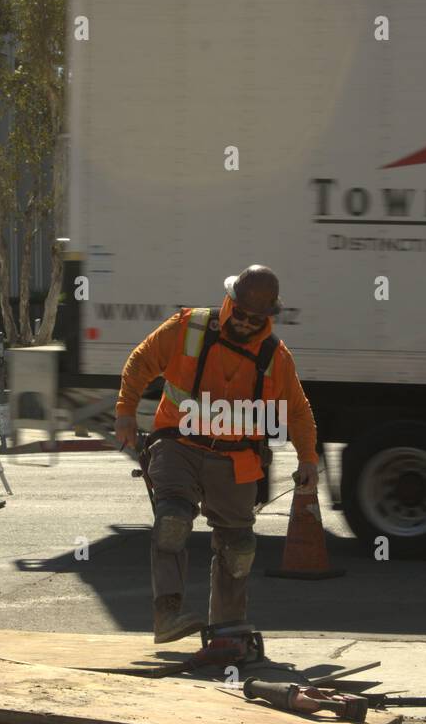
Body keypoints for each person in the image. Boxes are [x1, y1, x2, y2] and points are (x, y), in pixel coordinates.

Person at [115, 265, 320, 643]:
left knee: (238, 547)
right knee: (172, 521)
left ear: (268, 317)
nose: (243, 322)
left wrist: (308, 458)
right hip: (179, 445)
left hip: (236, 459)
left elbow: (297, 410)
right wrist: (126, 411)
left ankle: (226, 631)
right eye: (239, 312)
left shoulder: (276, 356)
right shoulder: (188, 327)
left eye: (254, 318)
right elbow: (141, 361)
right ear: (229, 300)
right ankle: (168, 615)